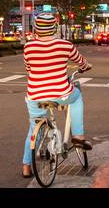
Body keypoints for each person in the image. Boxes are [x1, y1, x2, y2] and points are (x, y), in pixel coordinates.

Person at [21, 12, 91, 179]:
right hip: (61, 92)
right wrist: (86, 66)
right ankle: (78, 136)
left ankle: (26, 166)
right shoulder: (65, 45)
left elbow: (29, 69)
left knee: (34, 128)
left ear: (36, 29)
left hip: (35, 95)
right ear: (54, 28)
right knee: (77, 97)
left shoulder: (28, 47)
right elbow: (81, 61)